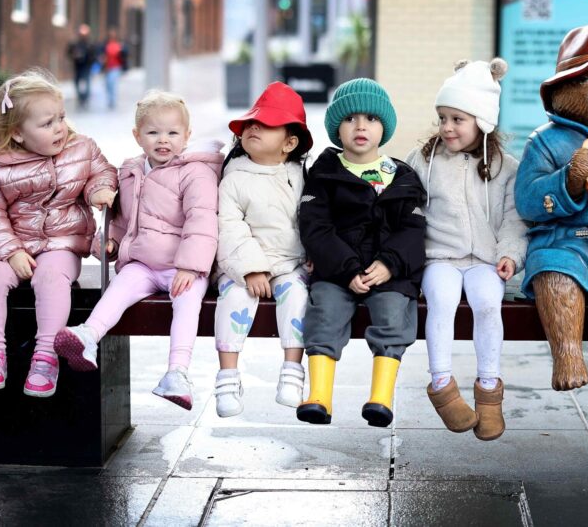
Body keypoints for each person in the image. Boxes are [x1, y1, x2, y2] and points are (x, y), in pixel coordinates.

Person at [54, 90, 221, 410]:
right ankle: (88, 336)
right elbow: (123, 218)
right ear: (137, 136)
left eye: (173, 133)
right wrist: (112, 243)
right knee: (118, 289)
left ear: (187, 136)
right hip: (142, 262)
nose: (163, 140)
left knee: (187, 305)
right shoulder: (130, 172)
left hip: (182, 266)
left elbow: (202, 221)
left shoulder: (195, 172)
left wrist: (191, 266)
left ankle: (177, 372)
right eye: (153, 132)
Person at [0, 68, 117, 397]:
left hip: (62, 243)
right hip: (15, 245)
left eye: (61, 118)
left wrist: (98, 191)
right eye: (47, 123)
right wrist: (10, 250)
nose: (59, 128)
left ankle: (46, 355)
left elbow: (101, 170)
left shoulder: (81, 148)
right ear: (18, 133)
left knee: (50, 279)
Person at [405, 58, 527, 441]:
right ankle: (442, 385)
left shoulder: (506, 166)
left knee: (488, 303)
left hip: (485, 260)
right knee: (440, 301)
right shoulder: (423, 161)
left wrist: (509, 254)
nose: (447, 127)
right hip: (439, 256)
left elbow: (514, 218)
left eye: (458, 119)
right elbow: (409, 209)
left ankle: (489, 392)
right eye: (443, 117)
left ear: (482, 121)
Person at [296, 78, 426, 428]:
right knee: (325, 310)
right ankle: (319, 396)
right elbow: (315, 227)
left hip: (389, 273)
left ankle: (381, 398)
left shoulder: (402, 176)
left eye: (370, 118)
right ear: (337, 127)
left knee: (393, 310)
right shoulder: (324, 174)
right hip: (338, 271)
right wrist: (346, 270)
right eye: (350, 118)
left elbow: (413, 230)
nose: (360, 126)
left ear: (384, 127)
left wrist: (389, 264)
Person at [212, 82, 314, 417]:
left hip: (290, 264)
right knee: (234, 300)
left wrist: (315, 253)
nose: (254, 127)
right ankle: (227, 376)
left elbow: (313, 218)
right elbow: (229, 226)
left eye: (267, 124)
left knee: (297, 297)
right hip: (243, 267)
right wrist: (251, 268)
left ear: (289, 142)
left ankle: (291, 373)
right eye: (251, 123)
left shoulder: (301, 175)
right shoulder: (235, 177)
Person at [68, 24, 97, 108]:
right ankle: (80, 97)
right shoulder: (74, 44)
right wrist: (74, 56)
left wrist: (89, 59)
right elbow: (69, 53)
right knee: (77, 83)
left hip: (86, 66)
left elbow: (94, 55)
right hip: (77, 66)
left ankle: (85, 98)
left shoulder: (90, 44)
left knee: (87, 83)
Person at [100, 27, 127, 110]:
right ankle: (110, 99)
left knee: (113, 83)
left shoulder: (119, 45)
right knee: (108, 84)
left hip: (116, 67)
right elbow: (102, 55)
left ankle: (113, 101)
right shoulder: (105, 45)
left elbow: (123, 55)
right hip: (107, 68)